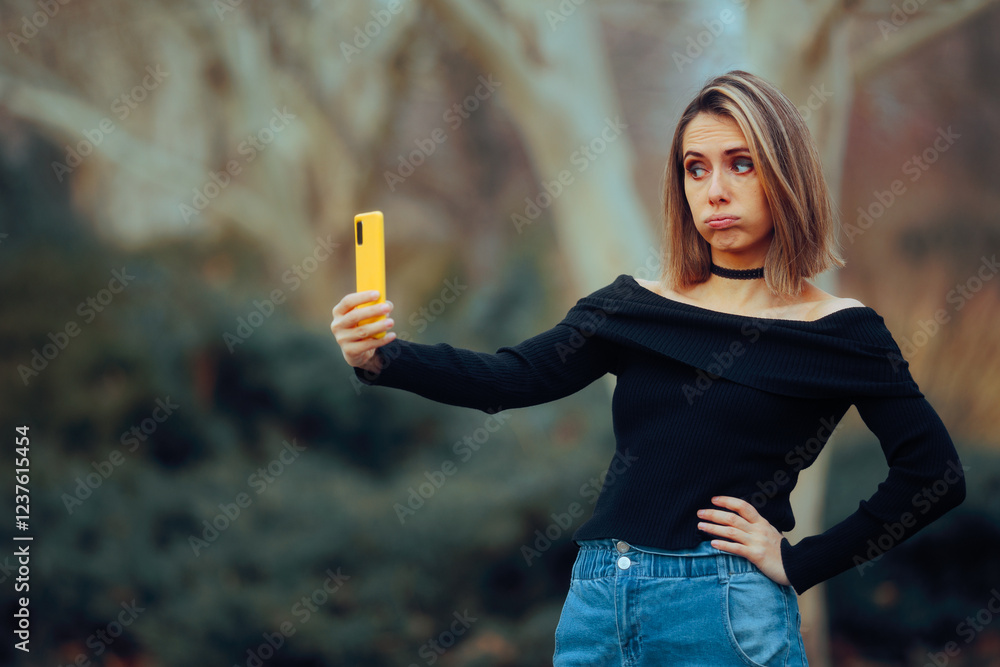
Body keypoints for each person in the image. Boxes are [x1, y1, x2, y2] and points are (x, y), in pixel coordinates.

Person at [330, 70, 966, 666]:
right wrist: (383, 356)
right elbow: (510, 378)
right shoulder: (633, 307)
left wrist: (802, 562)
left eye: (741, 163)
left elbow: (933, 472)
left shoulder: (839, 331)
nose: (714, 190)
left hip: (724, 610)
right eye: (696, 168)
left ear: (785, 173)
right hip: (600, 599)